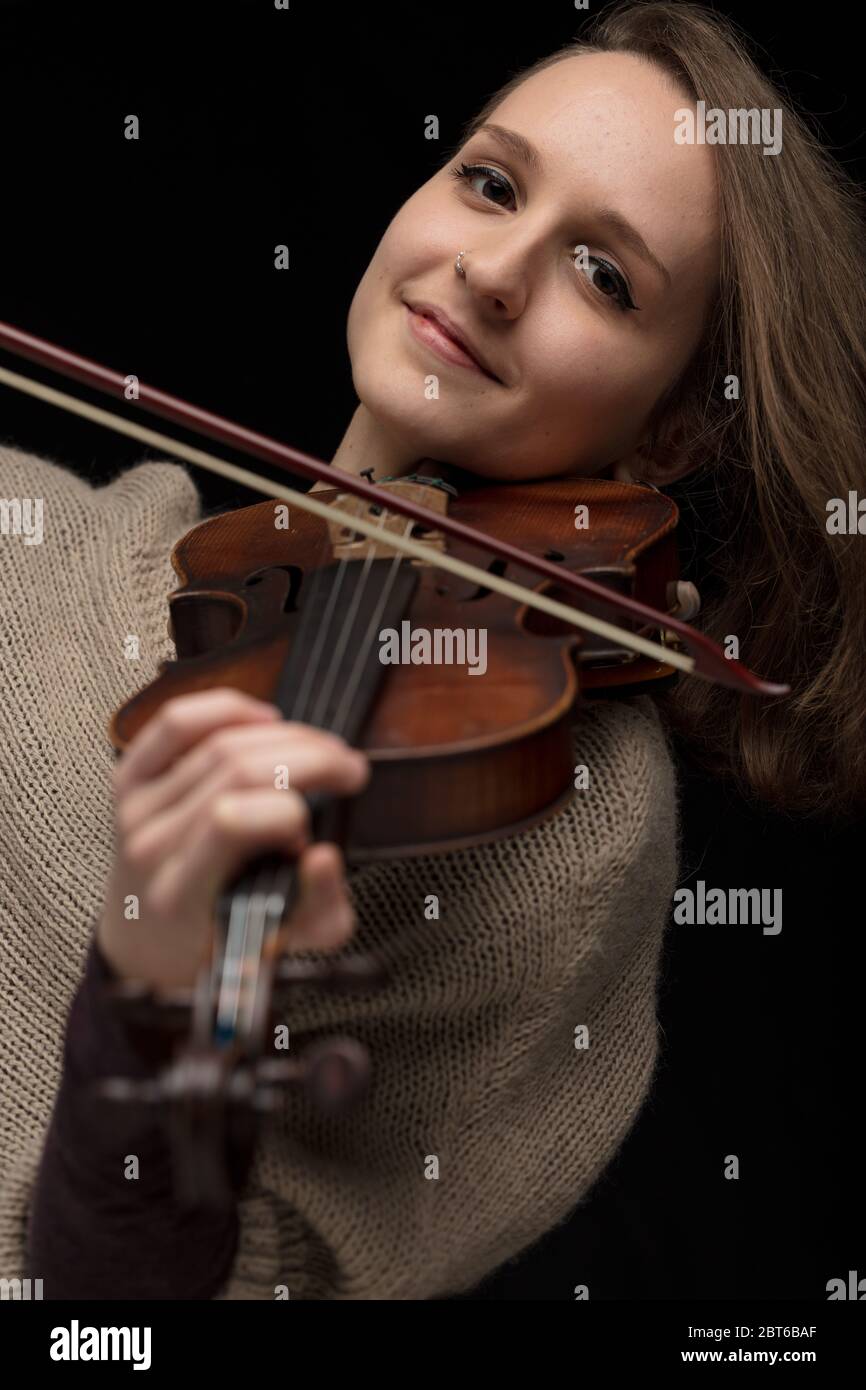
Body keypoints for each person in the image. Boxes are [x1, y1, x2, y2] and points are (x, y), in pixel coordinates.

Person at [0, 1, 863, 1300]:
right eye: (490, 182)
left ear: (677, 433)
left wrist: (155, 997)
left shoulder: (559, 820)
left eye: (604, 275)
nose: (495, 269)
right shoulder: (44, 528)